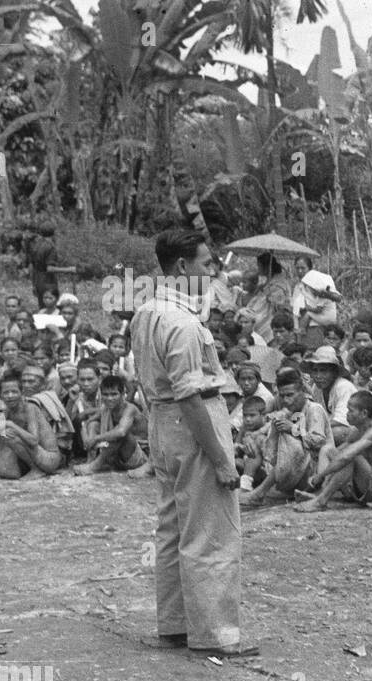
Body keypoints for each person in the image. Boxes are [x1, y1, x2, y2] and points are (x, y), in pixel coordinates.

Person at [131, 228, 254, 657]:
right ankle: (216, 634)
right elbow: (190, 395)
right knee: (211, 532)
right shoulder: (181, 322)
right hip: (190, 421)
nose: (212, 270)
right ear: (182, 267)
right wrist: (221, 458)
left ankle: (175, 625)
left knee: (172, 526)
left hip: (162, 424)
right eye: (206, 263)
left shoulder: (147, 311)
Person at [241, 367, 331, 505]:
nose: (286, 400)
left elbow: (319, 442)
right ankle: (246, 485)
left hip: (316, 469)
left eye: (290, 395)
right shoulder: (288, 411)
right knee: (260, 439)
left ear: (302, 392)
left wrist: (293, 429)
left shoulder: (314, 409)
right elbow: (260, 428)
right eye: (282, 396)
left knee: (290, 441)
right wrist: (248, 437)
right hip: (297, 469)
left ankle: (260, 493)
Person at [294, 390, 372, 512]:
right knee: (327, 449)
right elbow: (337, 452)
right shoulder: (357, 430)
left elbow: (346, 457)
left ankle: (321, 500)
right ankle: (320, 492)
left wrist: (321, 475)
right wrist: (322, 477)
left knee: (351, 456)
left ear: (364, 413)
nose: (347, 414)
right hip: (361, 485)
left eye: (350, 411)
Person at [0, 372, 63, 478]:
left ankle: (36, 470)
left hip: (49, 458)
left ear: (22, 392)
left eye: (14, 392)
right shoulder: (2, 411)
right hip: (32, 455)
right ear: (0, 396)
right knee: (4, 435)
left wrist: (11, 425)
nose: (10, 396)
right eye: (6, 393)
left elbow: (34, 441)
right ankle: (29, 468)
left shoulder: (30, 408)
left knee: (9, 435)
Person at [73, 374, 146, 475]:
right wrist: (86, 438)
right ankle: (90, 461)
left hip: (138, 457)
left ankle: (94, 466)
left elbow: (121, 432)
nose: (109, 398)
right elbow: (89, 422)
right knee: (94, 424)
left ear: (122, 394)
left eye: (114, 394)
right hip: (116, 457)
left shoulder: (130, 409)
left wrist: (96, 438)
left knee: (119, 434)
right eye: (106, 395)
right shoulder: (105, 408)